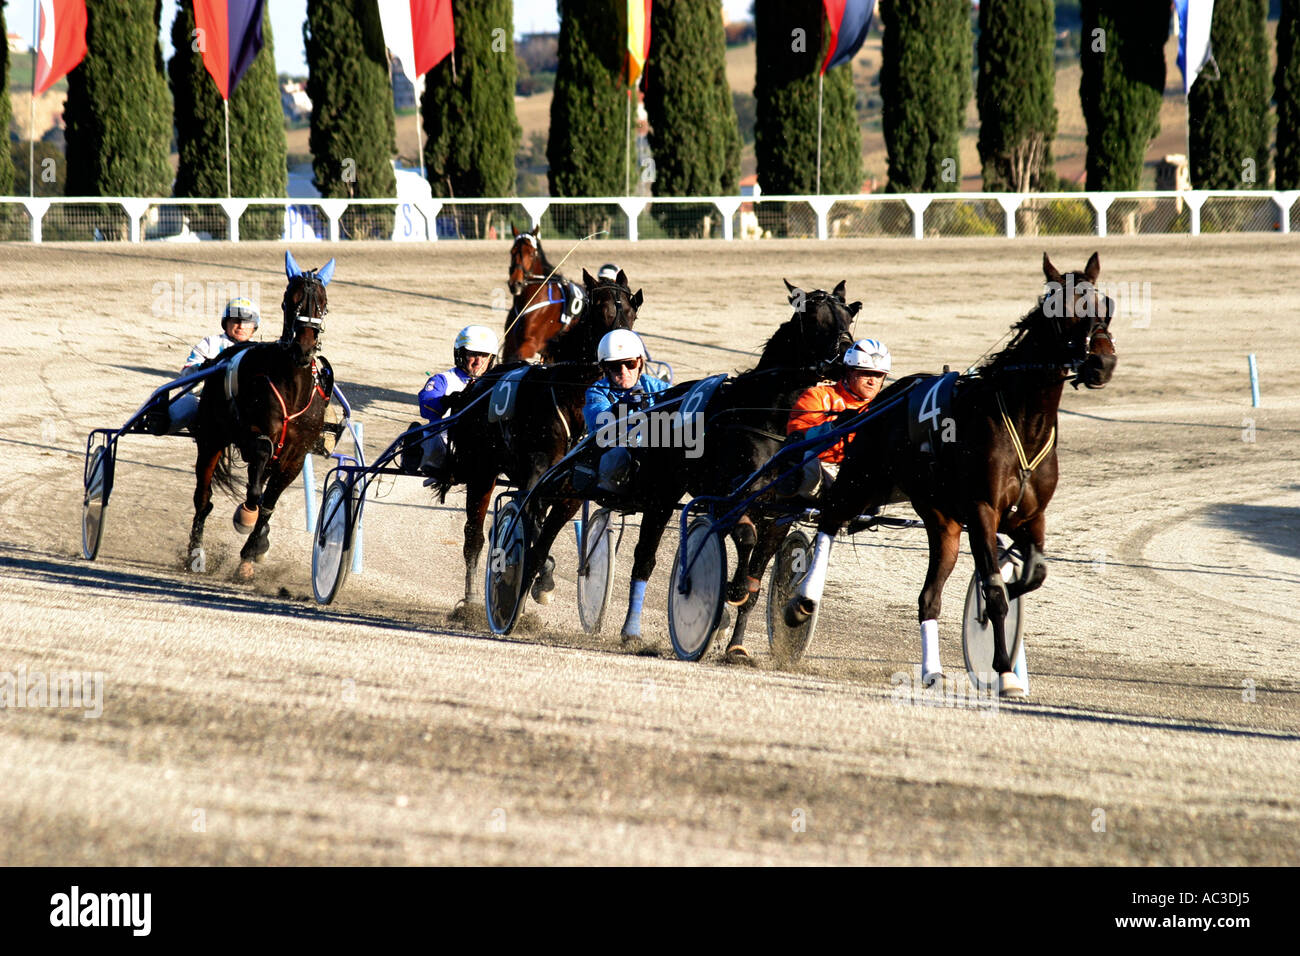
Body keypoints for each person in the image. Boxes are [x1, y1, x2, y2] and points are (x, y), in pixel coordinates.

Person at [784, 338, 891, 498]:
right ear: (849, 372)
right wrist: (835, 426)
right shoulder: (818, 396)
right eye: (865, 373)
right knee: (803, 460)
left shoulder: (886, 405)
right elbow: (799, 436)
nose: (872, 381)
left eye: (878, 375)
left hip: (866, 472)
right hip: (823, 468)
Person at [583, 328, 670, 494]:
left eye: (630, 364)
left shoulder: (655, 387)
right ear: (605, 368)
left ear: (639, 362)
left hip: (652, 456)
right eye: (615, 366)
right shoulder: (597, 392)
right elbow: (600, 426)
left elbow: (680, 397)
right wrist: (621, 406)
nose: (624, 372)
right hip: (615, 462)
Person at [157, 298, 260, 434]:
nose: (241, 326)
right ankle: (161, 422)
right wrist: (202, 368)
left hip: (245, 405)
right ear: (226, 322)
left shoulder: (258, 350)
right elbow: (187, 377)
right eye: (236, 320)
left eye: (246, 322)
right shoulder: (210, 343)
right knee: (190, 402)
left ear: (254, 326)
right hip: (207, 402)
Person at [412, 325, 499, 482]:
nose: (478, 362)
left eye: (484, 355)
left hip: (484, 445)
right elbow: (427, 408)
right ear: (461, 354)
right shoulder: (442, 380)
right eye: (473, 354)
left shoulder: (499, 382)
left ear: (491, 358)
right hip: (446, 444)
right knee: (430, 437)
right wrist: (449, 400)